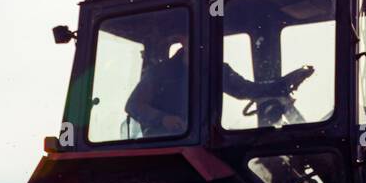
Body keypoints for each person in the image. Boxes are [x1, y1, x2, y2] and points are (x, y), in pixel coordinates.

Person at [126, 31, 314, 137]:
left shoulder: (216, 69)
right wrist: (163, 119)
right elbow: (133, 105)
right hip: (169, 141)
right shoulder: (160, 72)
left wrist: (285, 82)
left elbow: (245, 89)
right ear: (183, 40)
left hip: (204, 138)